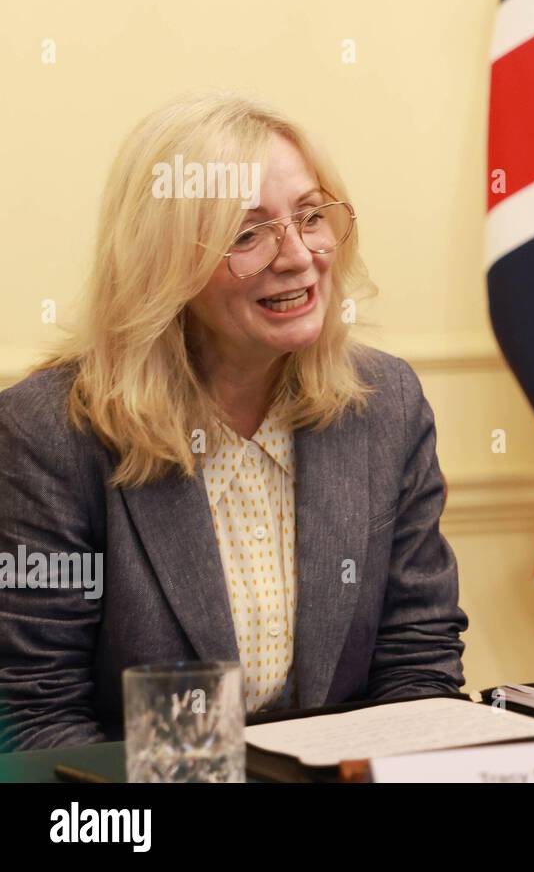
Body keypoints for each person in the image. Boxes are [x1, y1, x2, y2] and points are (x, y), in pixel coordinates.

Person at [0, 92, 468, 750]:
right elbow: (37, 715)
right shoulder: (50, 430)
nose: (298, 255)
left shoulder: (384, 403)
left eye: (311, 216)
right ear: (163, 262)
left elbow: (418, 666)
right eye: (247, 234)